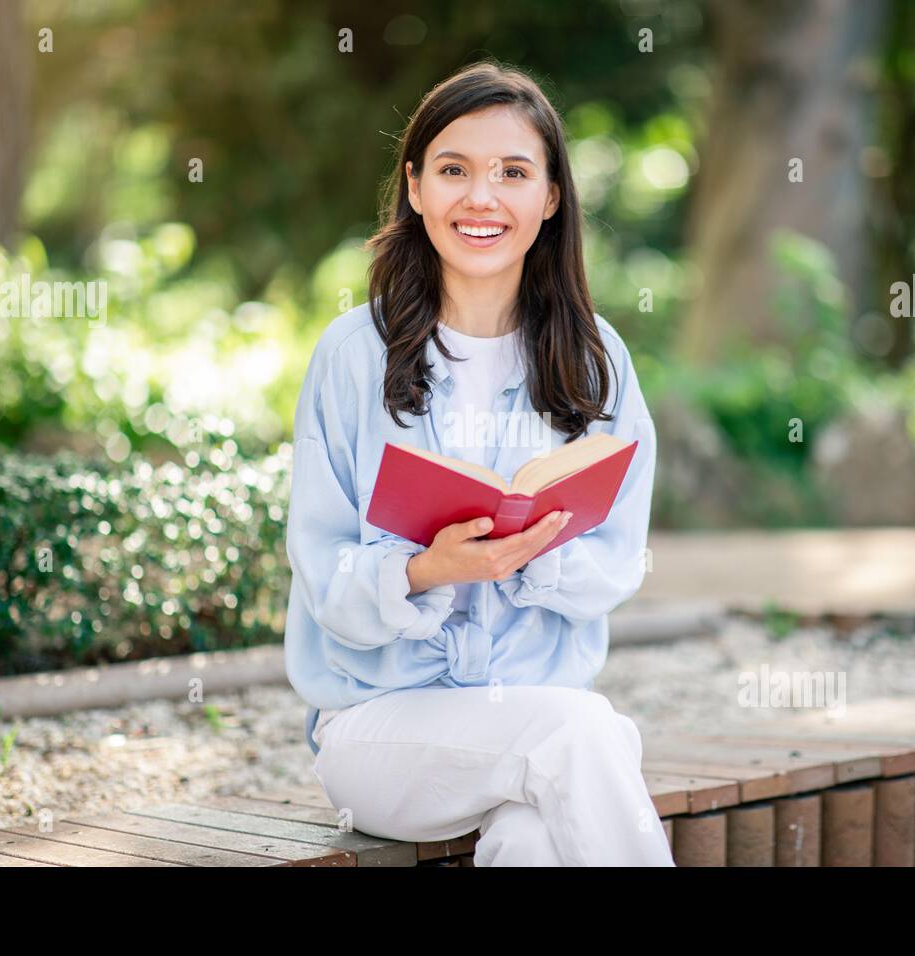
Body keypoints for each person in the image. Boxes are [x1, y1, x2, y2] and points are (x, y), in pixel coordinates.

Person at [282, 60, 673, 866]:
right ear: (416, 186)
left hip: (529, 719)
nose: (482, 198)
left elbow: (617, 560)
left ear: (552, 197)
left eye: (514, 173)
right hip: (379, 732)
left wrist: (530, 562)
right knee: (586, 732)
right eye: (454, 170)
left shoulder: (599, 362)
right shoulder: (352, 354)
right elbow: (324, 577)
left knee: (532, 841)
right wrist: (428, 570)